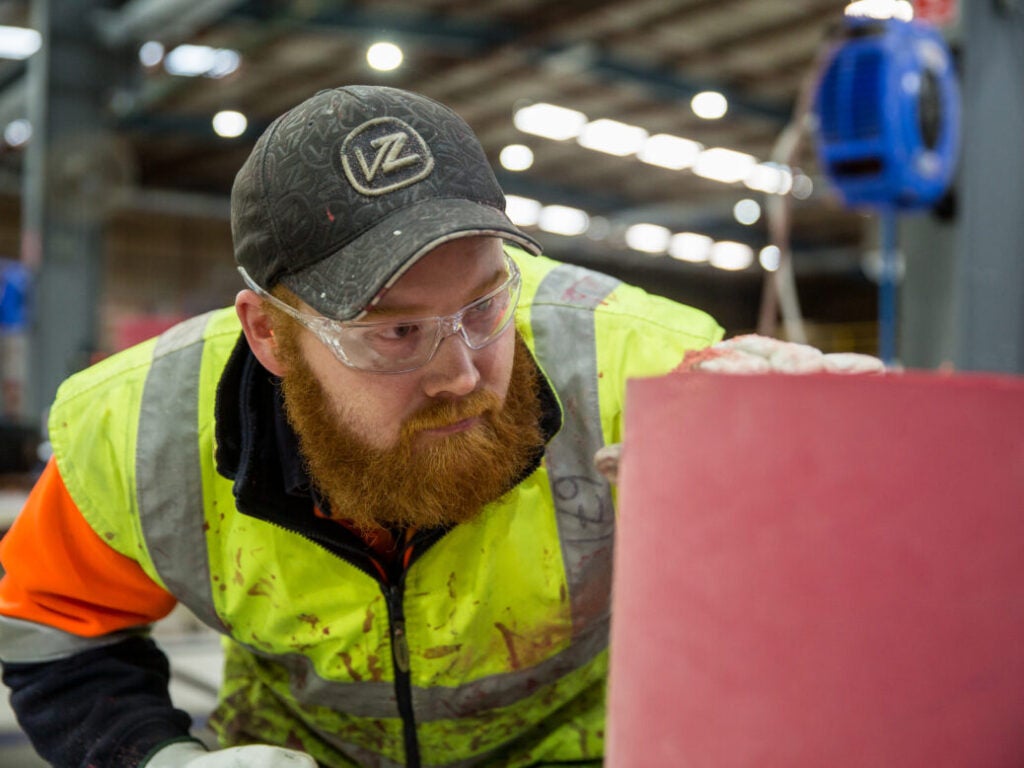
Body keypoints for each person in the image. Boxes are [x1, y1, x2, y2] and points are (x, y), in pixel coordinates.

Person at [0, 84, 727, 768]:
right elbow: (57, 630)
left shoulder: (653, 374)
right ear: (268, 335)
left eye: (483, 307)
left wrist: (821, 451)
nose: (462, 375)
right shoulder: (140, 429)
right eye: (398, 333)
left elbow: (784, 609)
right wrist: (159, 760)